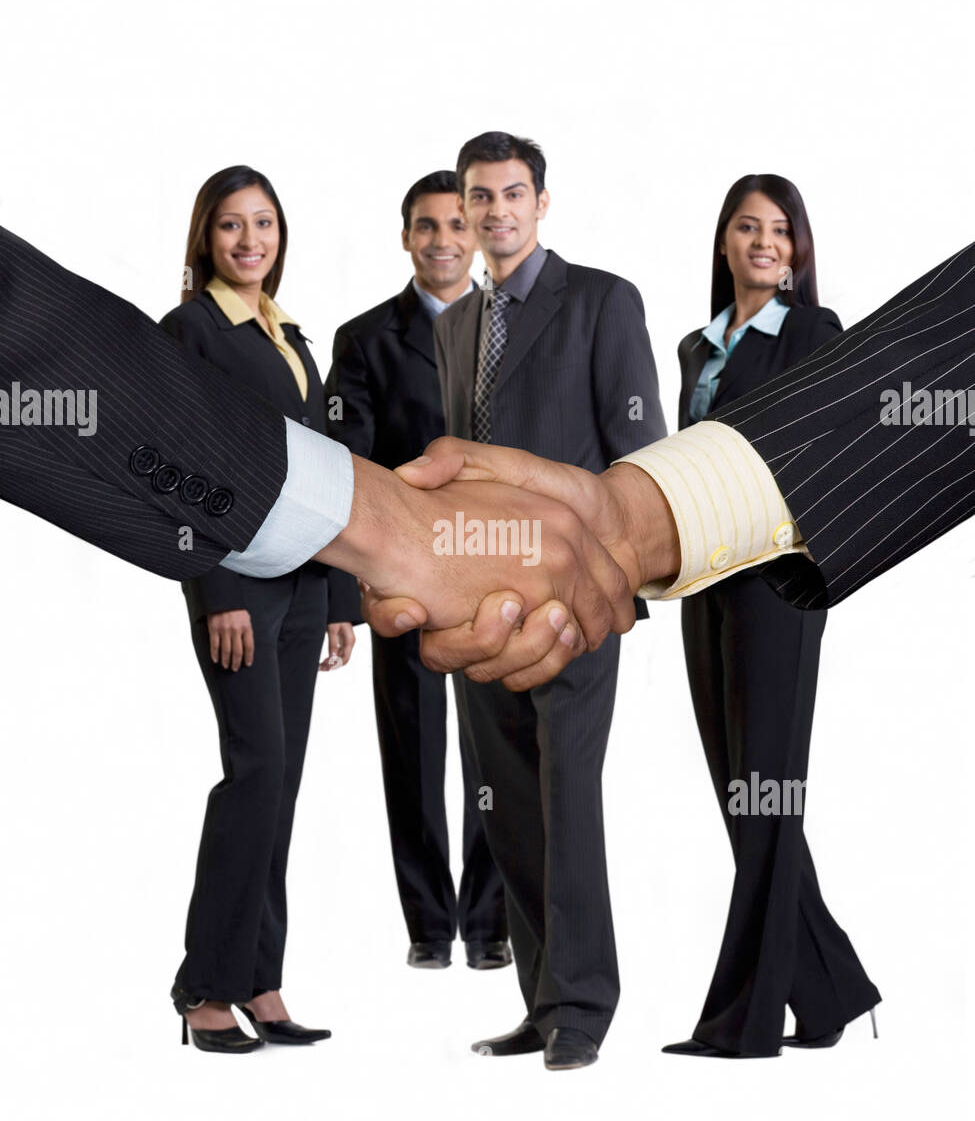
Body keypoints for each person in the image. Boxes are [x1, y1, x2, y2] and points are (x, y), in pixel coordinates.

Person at [1, 222, 972, 681]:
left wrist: (624, 525)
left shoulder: (599, 304)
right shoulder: (353, 332)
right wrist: (386, 524)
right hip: (318, 582)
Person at [432, 132, 666, 1070]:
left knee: (568, 796)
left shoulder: (601, 302)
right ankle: (540, 997)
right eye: (479, 198)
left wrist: (615, 587)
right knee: (507, 807)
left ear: (541, 202)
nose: (495, 212)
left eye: (512, 194)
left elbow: (635, 460)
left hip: (571, 598)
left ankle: (582, 1006)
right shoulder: (454, 325)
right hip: (476, 599)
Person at [662, 174, 879, 1058]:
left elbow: (831, 444)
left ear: (797, 250)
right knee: (741, 795)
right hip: (703, 585)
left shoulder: (813, 334)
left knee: (768, 794)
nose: (763, 243)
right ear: (723, 243)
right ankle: (830, 990)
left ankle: (742, 1023)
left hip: (778, 586)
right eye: (746, 228)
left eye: (779, 231)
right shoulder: (694, 346)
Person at [159, 166, 360, 1053]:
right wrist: (221, 593)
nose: (250, 241)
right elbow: (179, 473)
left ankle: (260, 981)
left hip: (306, 587)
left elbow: (325, 470)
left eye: (264, 224)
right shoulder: (191, 332)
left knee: (281, 786)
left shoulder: (288, 334)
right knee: (254, 776)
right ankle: (202, 987)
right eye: (232, 227)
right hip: (241, 588)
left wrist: (343, 595)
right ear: (205, 237)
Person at [325, 171, 510, 972]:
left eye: (455, 224)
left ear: (476, 233)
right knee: (411, 745)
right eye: (425, 226)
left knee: (496, 752)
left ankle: (491, 922)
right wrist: (345, 591)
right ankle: (429, 926)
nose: (442, 240)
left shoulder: (512, 329)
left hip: (495, 567)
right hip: (397, 570)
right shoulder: (364, 339)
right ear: (405, 237)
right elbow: (342, 465)